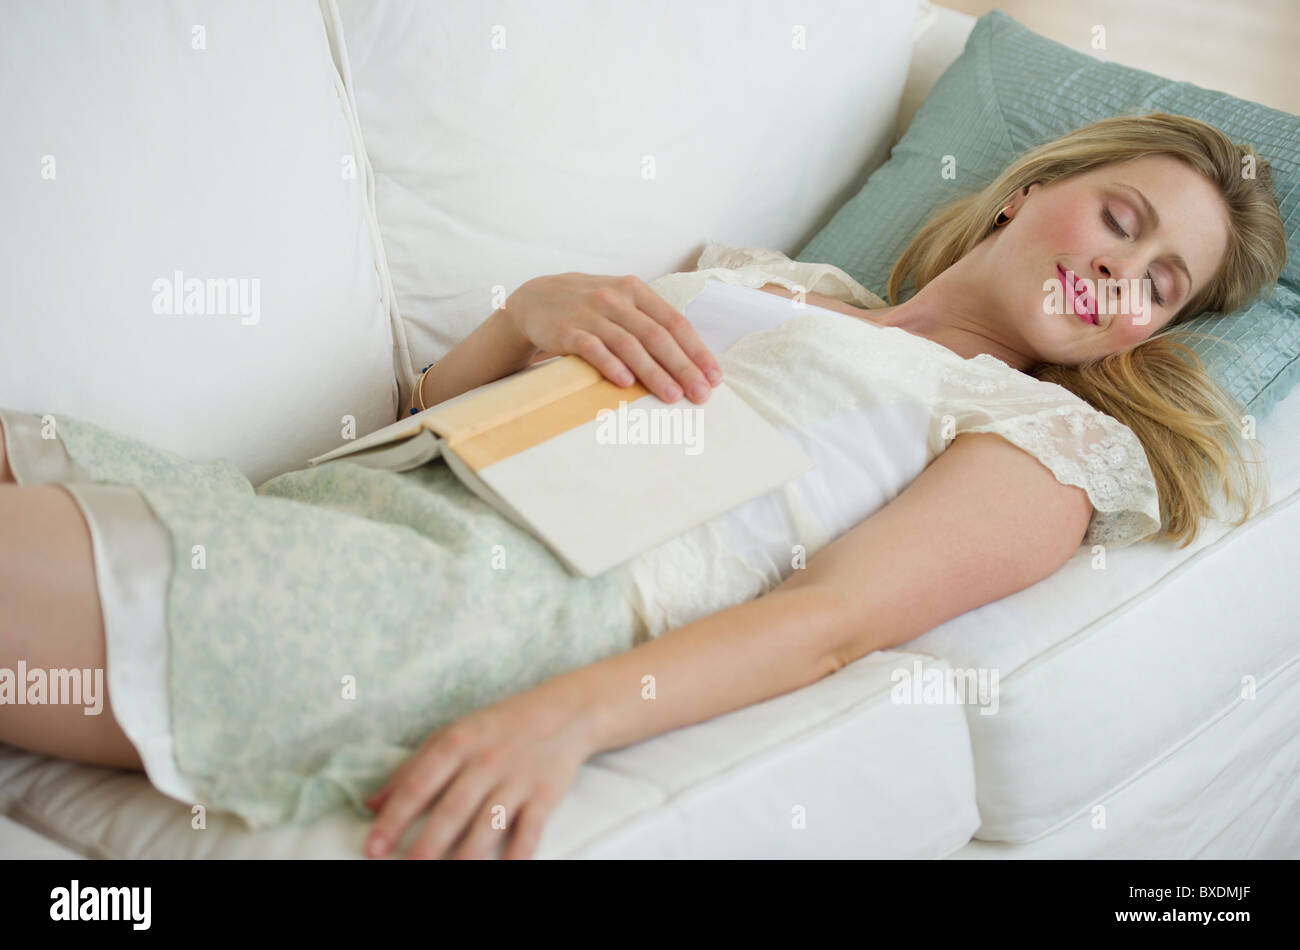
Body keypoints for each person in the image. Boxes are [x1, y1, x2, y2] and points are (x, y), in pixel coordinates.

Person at [0, 112, 1286, 860]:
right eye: (1122, 222)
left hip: (470, 594)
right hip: (347, 496)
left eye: (1161, 284)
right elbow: (427, 420)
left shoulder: (1039, 441)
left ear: (1140, 338)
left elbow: (834, 618)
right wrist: (526, 314)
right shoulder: (777, 283)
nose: (1125, 275)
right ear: (1027, 195)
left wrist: (567, 719)